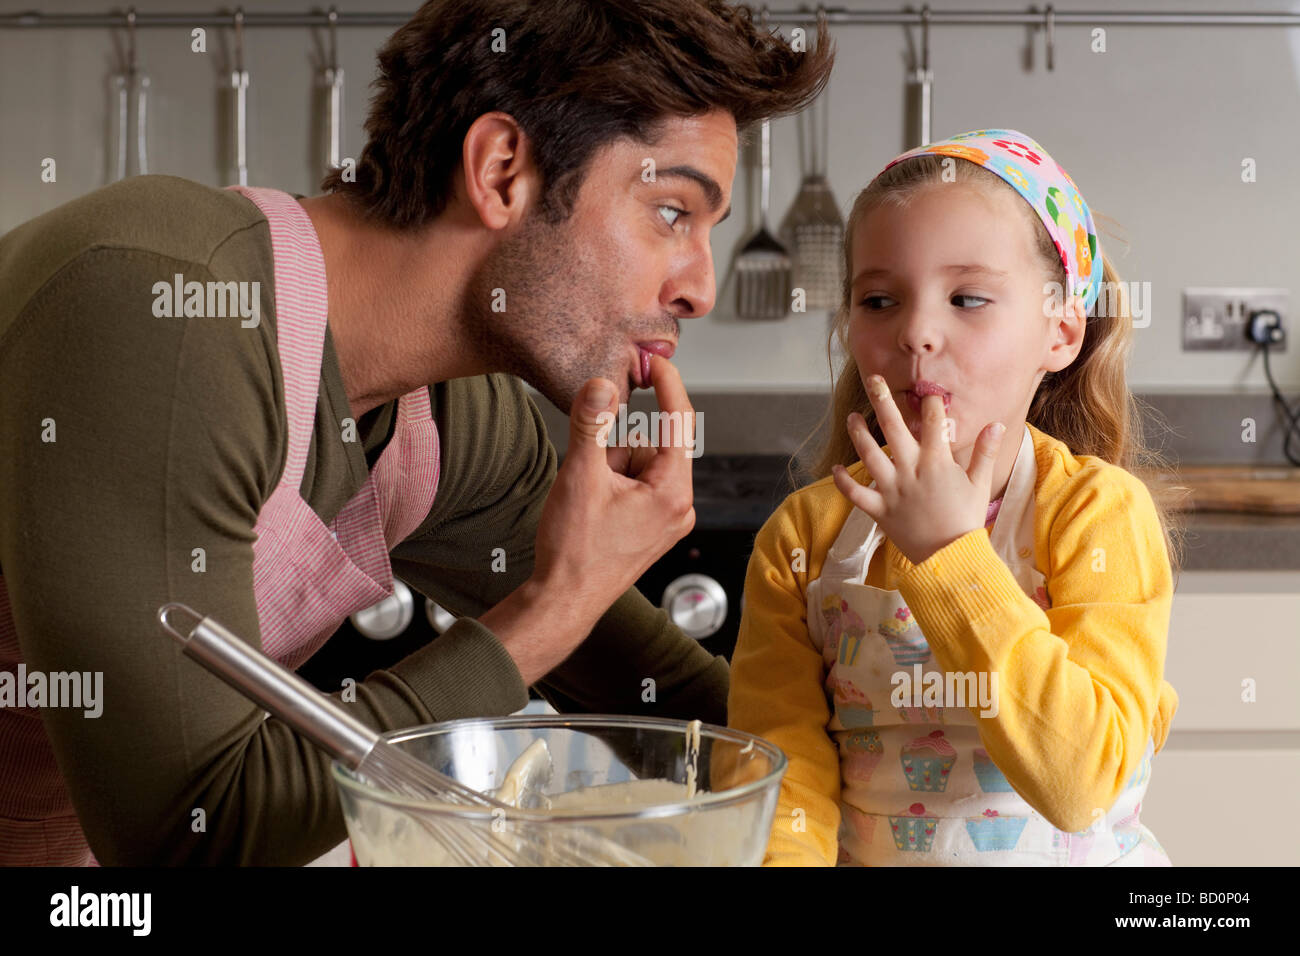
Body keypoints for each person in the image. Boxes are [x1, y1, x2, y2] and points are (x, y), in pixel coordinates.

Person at [0, 0, 834, 865]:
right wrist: (551, 609)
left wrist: (907, 747)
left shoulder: (456, 422)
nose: (699, 286)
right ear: (504, 171)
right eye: (671, 213)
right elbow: (188, 833)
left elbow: (685, 709)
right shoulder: (162, 307)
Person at [728, 129, 1185, 866]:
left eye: (967, 298)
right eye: (879, 300)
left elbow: (1079, 783)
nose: (915, 333)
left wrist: (950, 554)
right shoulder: (803, 538)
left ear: (1061, 331)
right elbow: (781, 776)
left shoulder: (1098, 516)